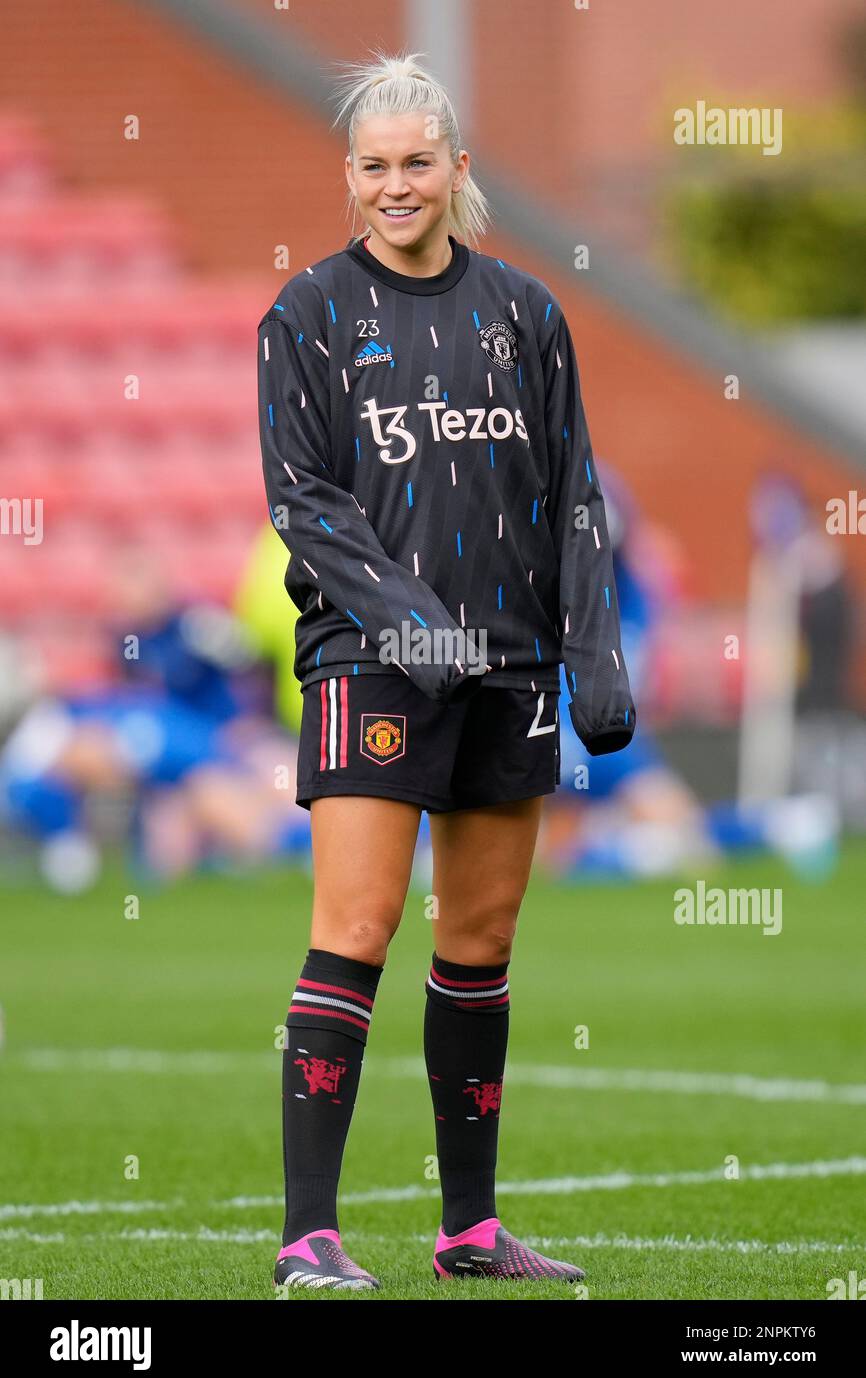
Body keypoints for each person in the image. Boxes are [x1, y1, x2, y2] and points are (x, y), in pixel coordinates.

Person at [256, 48, 635, 1291]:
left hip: (511, 669)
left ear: (457, 168)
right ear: (349, 177)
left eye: (418, 162)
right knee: (356, 928)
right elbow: (303, 501)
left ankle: (467, 1230)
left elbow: (573, 495)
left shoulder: (527, 312)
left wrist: (593, 654)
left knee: (477, 942)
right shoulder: (306, 315)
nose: (396, 185)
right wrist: (411, 620)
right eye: (374, 167)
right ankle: (309, 1234)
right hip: (371, 661)